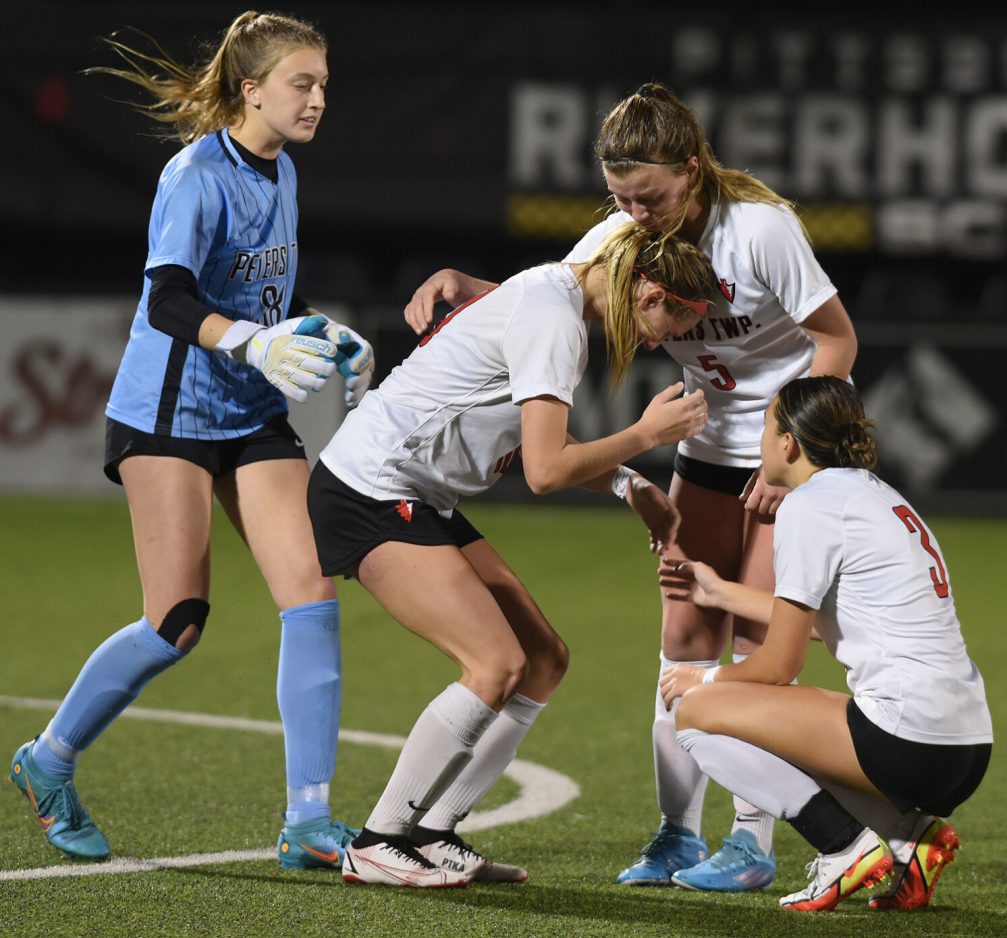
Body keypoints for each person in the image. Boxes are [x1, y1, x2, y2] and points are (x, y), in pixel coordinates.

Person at [402, 82, 858, 891]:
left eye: (648, 197)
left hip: (786, 457)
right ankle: (675, 835)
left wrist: (791, 456)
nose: (634, 215)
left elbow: (835, 340)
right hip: (704, 450)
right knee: (683, 641)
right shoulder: (627, 228)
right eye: (619, 199)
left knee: (757, 648)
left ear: (691, 169)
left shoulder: (758, 231)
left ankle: (749, 843)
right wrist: (464, 283)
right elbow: (556, 288)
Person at [8, 11, 374, 872]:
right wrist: (250, 341)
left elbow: (264, 290)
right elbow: (167, 297)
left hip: (249, 414)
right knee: (177, 622)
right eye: (302, 83)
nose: (319, 99)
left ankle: (309, 822)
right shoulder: (195, 173)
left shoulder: (280, 169)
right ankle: (49, 760)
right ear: (251, 88)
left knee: (312, 596)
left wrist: (317, 328)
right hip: (167, 413)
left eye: (324, 84)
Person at [307, 223, 713, 887]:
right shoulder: (556, 318)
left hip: (417, 493)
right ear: (647, 290)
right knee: (494, 663)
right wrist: (643, 436)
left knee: (543, 659)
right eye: (677, 317)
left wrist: (623, 482)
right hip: (369, 489)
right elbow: (547, 471)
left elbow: (531, 445)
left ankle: (433, 831)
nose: (670, 337)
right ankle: (378, 840)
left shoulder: (566, 291)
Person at [658, 376, 993, 912]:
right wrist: (721, 592)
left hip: (910, 736)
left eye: (766, 428)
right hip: (964, 742)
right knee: (781, 723)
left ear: (789, 443)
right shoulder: (874, 494)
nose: (761, 441)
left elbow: (780, 661)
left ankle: (844, 848)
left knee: (698, 713)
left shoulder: (811, 503)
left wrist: (707, 678)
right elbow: (820, 624)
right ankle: (914, 840)